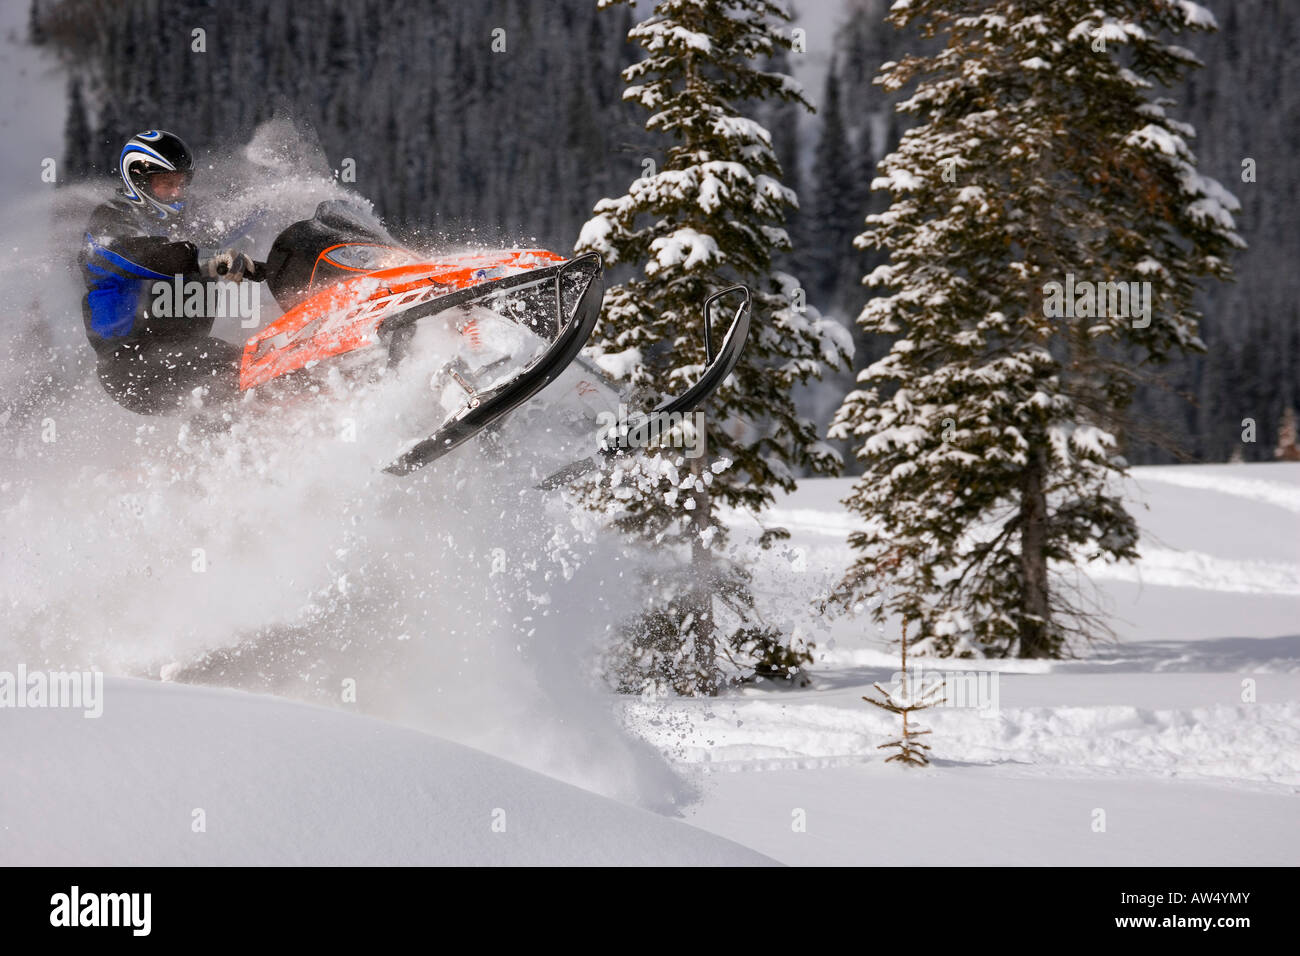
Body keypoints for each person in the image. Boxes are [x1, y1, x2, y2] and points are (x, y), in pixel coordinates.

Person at [79, 129, 260, 415]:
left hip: (178, 349)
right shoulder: (111, 220)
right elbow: (141, 259)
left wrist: (264, 206)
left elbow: (214, 237)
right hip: (130, 363)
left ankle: (226, 444)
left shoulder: (172, 226)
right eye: (166, 183)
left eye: (180, 183)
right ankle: (235, 447)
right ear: (139, 180)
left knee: (246, 366)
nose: (176, 192)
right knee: (236, 370)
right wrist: (203, 260)